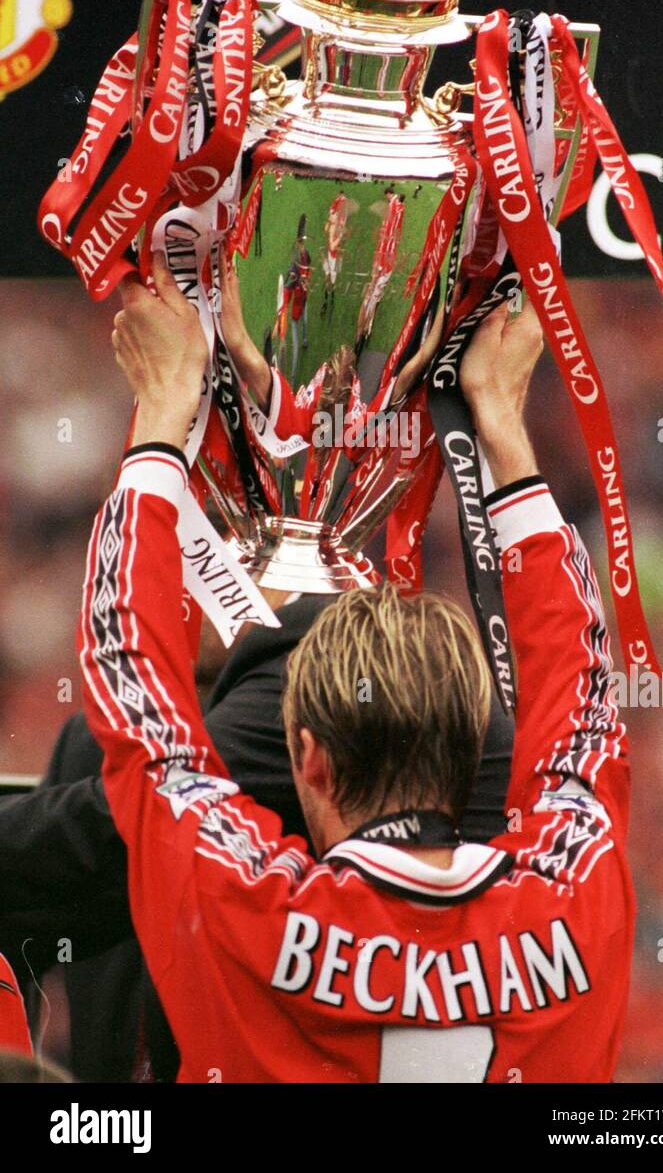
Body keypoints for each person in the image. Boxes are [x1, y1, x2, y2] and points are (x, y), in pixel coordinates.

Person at [76, 255, 633, 1082]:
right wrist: (502, 426)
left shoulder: (243, 905)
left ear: (309, 760)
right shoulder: (574, 893)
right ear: (473, 749)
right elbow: (585, 704)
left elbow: (135, 693)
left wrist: (164, 409)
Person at [0, 253, 513, 1081]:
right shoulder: (90, 746)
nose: (178, 570)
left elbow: (121, 800)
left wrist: (162, 423)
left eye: (194, 529)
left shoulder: (328, 678)